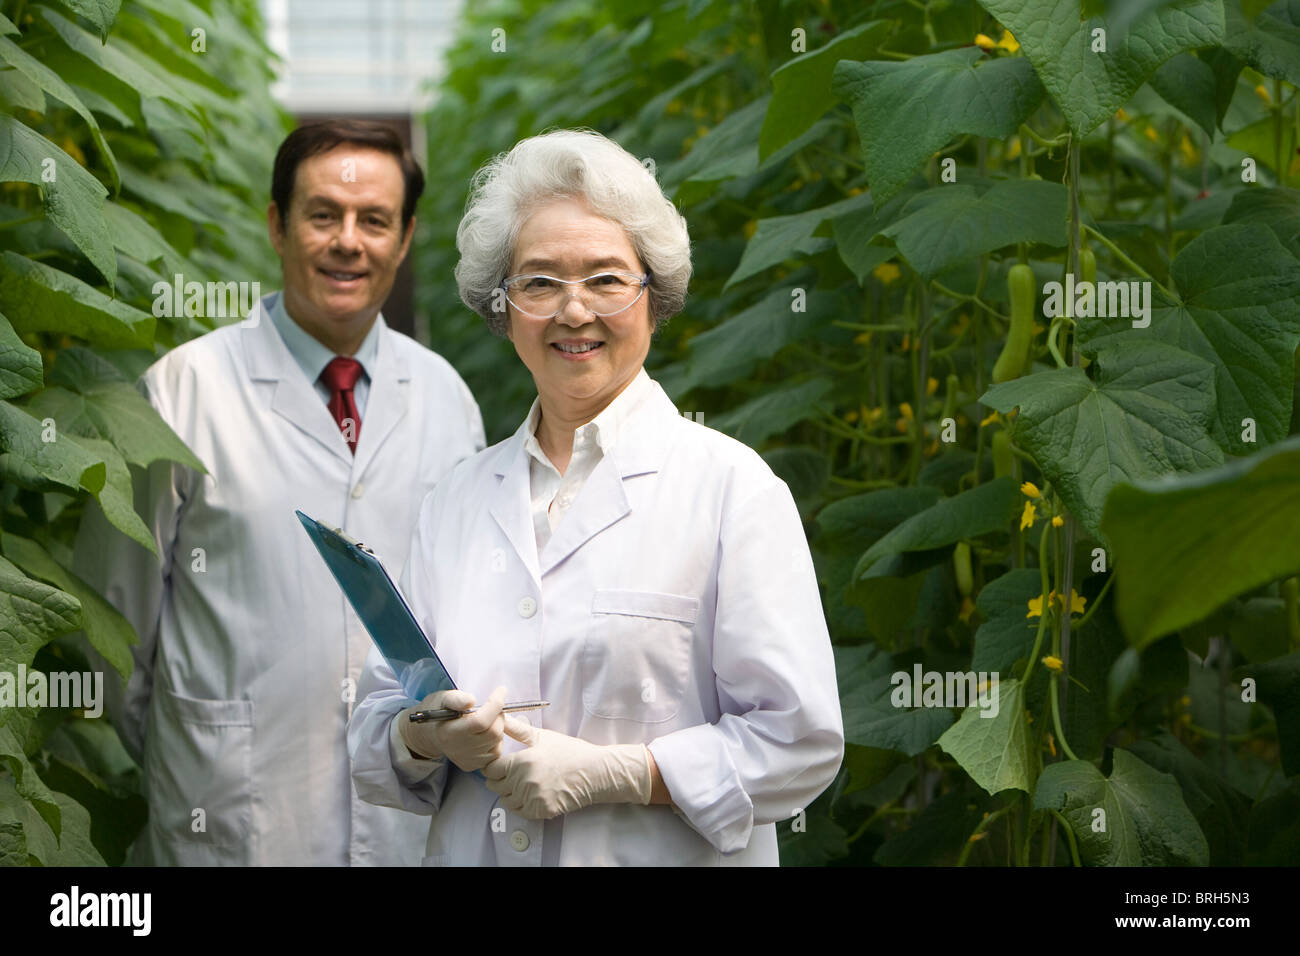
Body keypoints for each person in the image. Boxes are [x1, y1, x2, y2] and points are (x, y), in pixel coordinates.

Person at [347, 129, 843, 865]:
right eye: (540, 282)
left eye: (607, 280)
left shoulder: (731, 490)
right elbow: (373, 726)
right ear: (504, 307)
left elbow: (798, 739)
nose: (574, 312)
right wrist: (421, 734)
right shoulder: (452, 501)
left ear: (653, 298)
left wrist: (623, 774)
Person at [72, 119, 486, 865]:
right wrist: (202, 744)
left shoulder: (446, 399)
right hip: (231, 820)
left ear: (405, 236)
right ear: (277, 225)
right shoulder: (180, 394)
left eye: (374, 220)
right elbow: (112, 629)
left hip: (404, 820)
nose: (347, 241)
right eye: (323, 214)